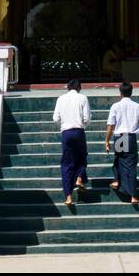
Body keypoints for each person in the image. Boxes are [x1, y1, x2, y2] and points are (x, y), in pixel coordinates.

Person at [105, 81, 139, 208]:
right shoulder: (137, 106)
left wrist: (107, 140)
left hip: (120, 137)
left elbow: (110, 126)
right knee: (130, 165)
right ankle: (133, 195)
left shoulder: (115, 106)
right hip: (130, 137)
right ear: (131, 92)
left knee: (119, 159)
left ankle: (117, 181)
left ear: (120, 93)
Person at [52, 77, 91, 208]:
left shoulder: (60, 99)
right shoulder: (83, 98)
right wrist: (81, 124)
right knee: (82, 157)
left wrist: (63, 123)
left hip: (66, 133)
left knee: (66, 163)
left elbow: (55, 118)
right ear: (79, 88)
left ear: (68, 87)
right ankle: (79, 178)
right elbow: (87, 118)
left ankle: (68, 196)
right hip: (79, 131)